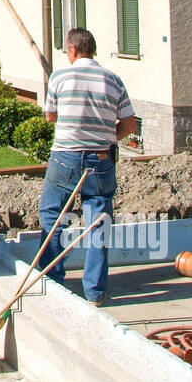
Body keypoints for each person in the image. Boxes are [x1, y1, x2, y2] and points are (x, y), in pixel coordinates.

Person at [37, 27, 137, 306]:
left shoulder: (59, 77)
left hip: (65, 158)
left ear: (72, 50)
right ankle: (94, 292)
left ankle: (52, 284)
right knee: (99, 223)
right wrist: (105, 138)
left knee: (53, 217)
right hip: (101, 160)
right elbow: (129, 125)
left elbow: (50, 117)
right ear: (92, 50)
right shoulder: (113, 80)